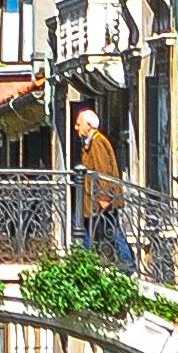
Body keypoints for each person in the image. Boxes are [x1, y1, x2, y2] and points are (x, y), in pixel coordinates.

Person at [75, 105, 127, 262]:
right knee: (96, 231)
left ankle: (128, 263)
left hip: (102, 201)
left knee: (112, 232)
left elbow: (103, 170)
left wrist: (103, 197)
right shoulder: (91, 142)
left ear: (89, 125)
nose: (76, 127)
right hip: (95, 199)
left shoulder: (98, 142)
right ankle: (88, 260)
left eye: (79, 123)